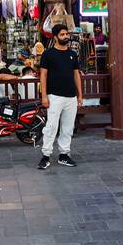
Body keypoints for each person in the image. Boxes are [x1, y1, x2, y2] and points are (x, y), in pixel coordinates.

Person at [37, 23, 82, 170]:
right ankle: (46, 156)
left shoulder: (72, 54)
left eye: (66, 34)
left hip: (71, 97)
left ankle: (64, 155)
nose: (66, 37)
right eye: (62, 35)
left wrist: (80, 95)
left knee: (68, 128)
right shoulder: (48, 54)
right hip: (54, 96)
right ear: (55, 37)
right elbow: (43, 75)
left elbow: (76, 75)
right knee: (51, 127)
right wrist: (44, 96)